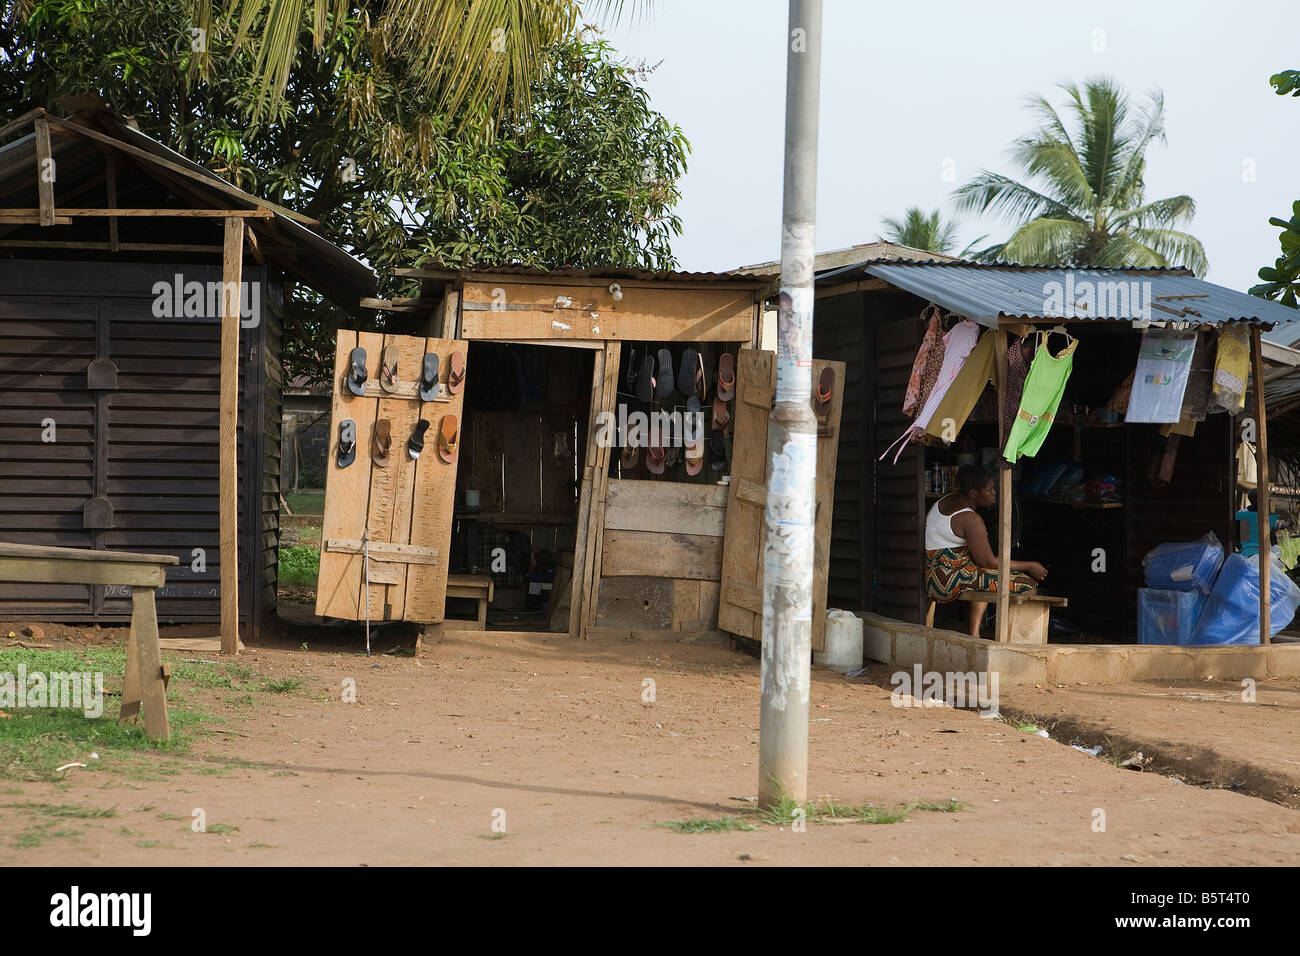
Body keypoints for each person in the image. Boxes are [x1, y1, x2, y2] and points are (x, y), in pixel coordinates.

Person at [925, 464, 1047, 637]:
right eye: (989, 490)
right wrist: (1029, 565)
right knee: (1025, 584)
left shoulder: (946, 501)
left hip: (934, 575)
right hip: (948, 582)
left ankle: (974, 635)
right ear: (974, 493)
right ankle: (1014, 639)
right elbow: (988, 561)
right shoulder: (971, 519)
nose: (994, 493)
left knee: (985, 577)